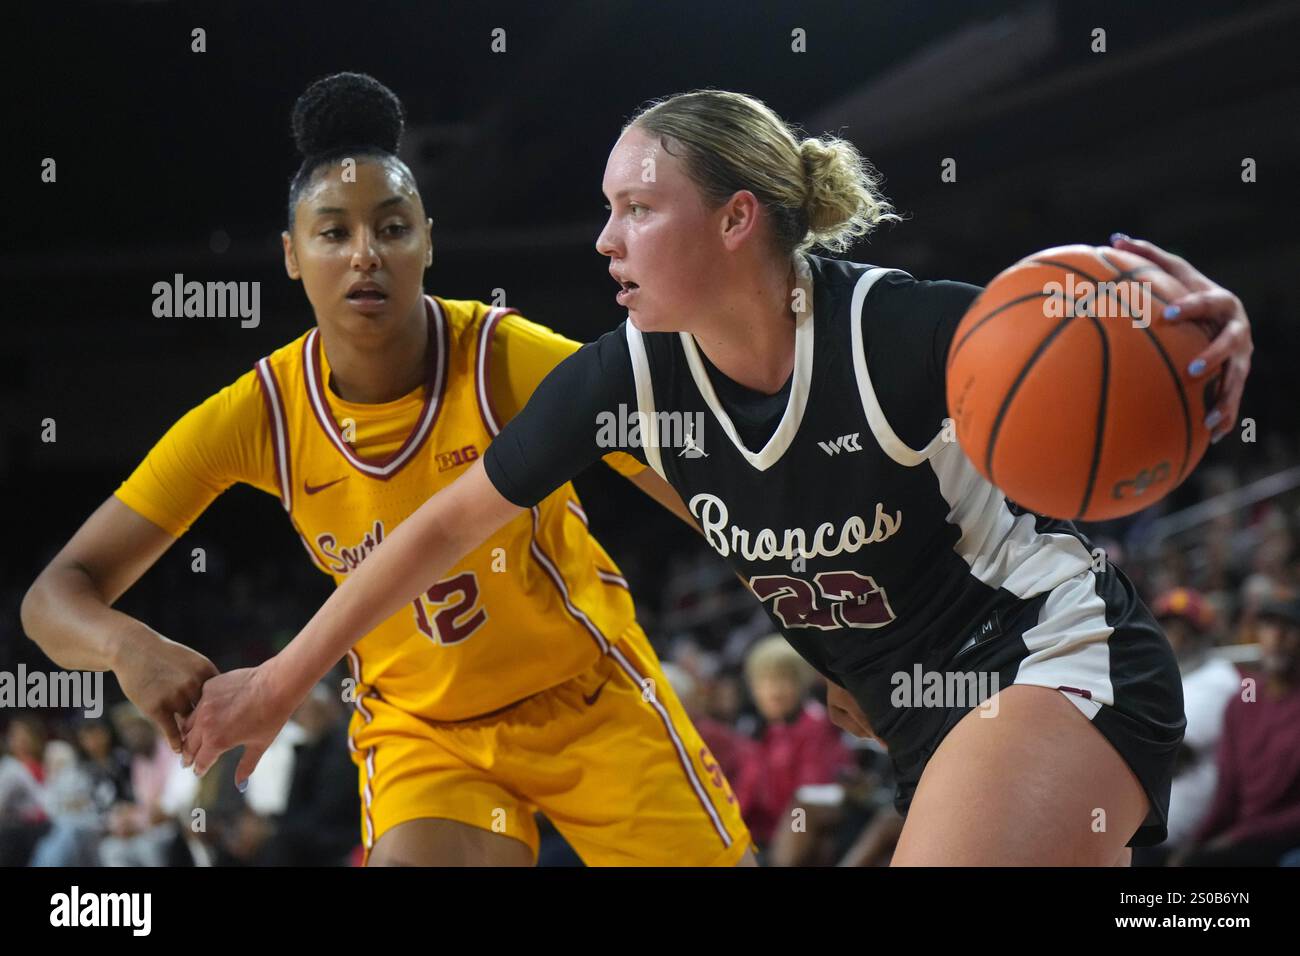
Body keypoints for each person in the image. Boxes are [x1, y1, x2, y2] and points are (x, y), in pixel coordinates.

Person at [181, 88, 1256, 865]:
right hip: (916, 720)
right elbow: (434, 532)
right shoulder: (624, 380)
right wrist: (281, 677)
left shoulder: (894, 328)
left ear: (737, 217)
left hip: (1046, 657)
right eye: (606, 209)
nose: (605, 238)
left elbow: (1092, 333)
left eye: (637, 210)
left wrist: (1206, 327)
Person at [21, 74, 752, 867]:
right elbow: (55, 596)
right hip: (424, 731)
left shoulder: (507, 358)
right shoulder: (257, 415)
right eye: (333, 233)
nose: (365, 253)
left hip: (586, 698)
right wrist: (125, 646)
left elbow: (712, 491)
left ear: (428, 242)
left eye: (392, 228)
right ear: (292, 256)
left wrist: (836, 634)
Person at [1177, 592, 1300, 865]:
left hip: (1282, 840)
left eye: (1290, 627)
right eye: (1269, 626)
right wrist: (1197, 844)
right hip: (1240, 837)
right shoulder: (1242, 702)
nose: (1277, 637)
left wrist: (1241, 836)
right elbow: (1227, 793)